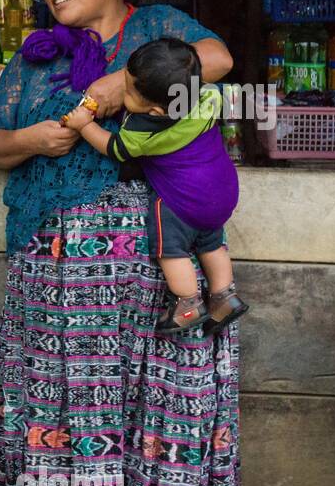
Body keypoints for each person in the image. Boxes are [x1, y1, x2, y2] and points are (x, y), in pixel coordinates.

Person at [0, 0, 239, 486]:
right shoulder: (34, 59)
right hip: (59, 266)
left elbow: (217, 57)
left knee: (156, 396)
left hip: (161, 253)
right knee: (79, 400)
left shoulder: (155, 28)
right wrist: (36, 139)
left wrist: (120, 87)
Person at [62, 37, 249, 335]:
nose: (124, 90)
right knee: (211, 243)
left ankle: (188, 303)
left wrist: (84, 124)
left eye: (130, 91)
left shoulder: (145, 131)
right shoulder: (207, 96)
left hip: (183, 199)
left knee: (171, 249)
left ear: (157, 112)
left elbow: (115, 148)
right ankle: (225, 295)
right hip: (223, 190)